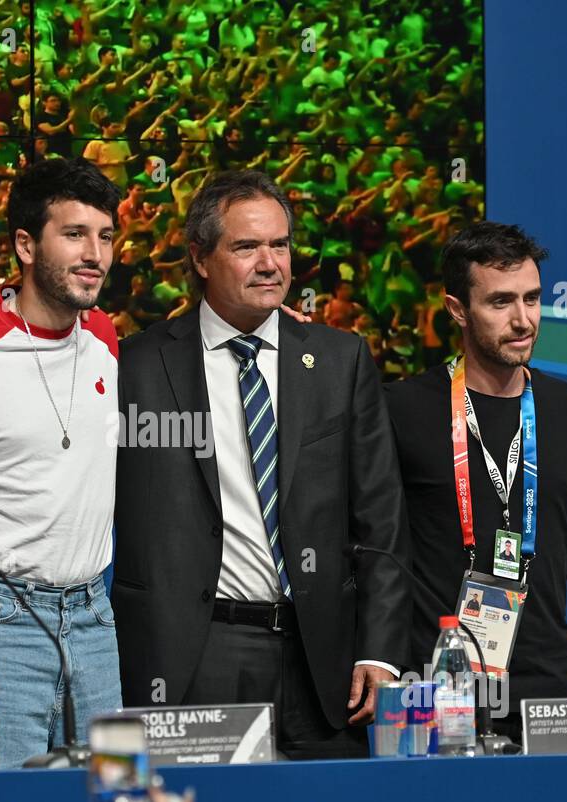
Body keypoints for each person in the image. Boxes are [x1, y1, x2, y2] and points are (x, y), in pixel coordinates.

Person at [112, 170, 411, 760]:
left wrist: (379, 649)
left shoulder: (339, 359)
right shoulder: (138, 366)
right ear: (200, 257)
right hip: (196, 656)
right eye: (246, 247)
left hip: (327, 661)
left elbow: (381, 518)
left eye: (279, 245)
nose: (270, 262)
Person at [383, 222, 567, 741]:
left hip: (546, 682)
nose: (522, 320)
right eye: (500, 302)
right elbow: (374, 549)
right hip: (435, 684)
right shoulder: (400, 409)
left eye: (532, 299)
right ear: (457, 309)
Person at [0, 158, 123, 770]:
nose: (95, 253)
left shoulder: (106, 339)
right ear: (24, 245)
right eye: (74, 235)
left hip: (94, 620)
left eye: (106, 237)